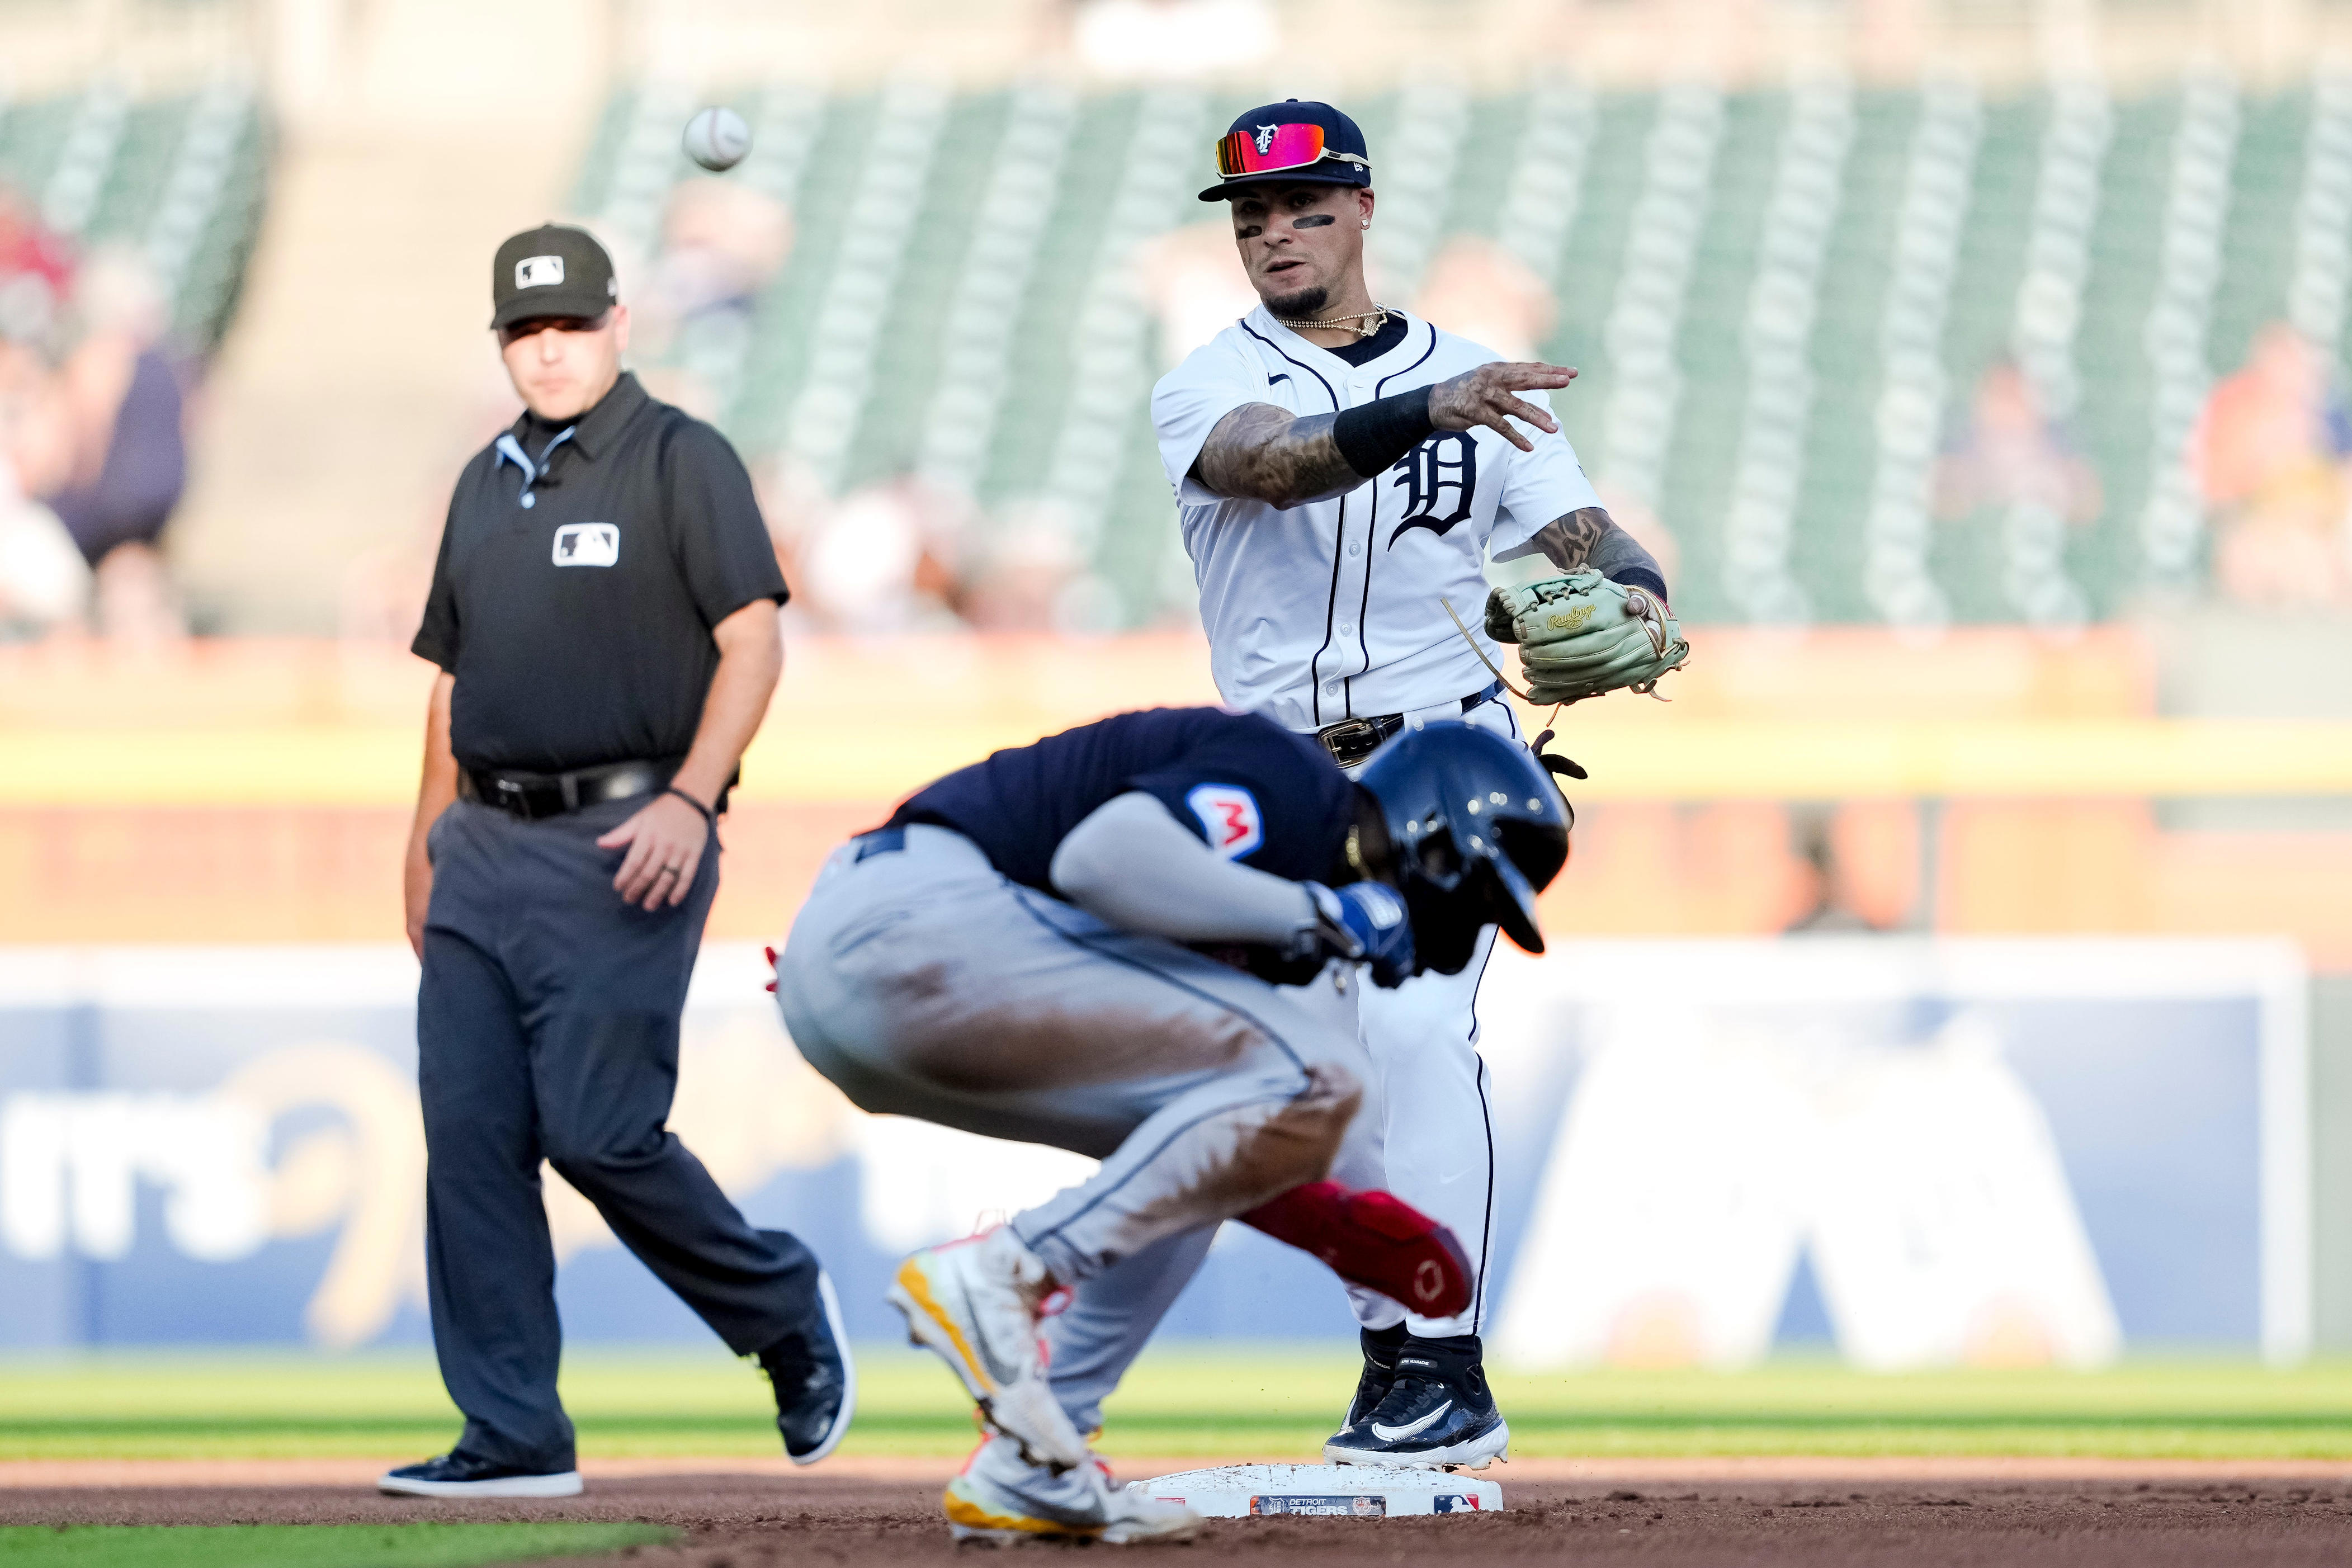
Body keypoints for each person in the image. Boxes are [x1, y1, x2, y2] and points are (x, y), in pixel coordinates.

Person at [1150, 99, 1674, 1468]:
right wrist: (1424, 409)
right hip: (1275, 774)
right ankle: (1400, 1361)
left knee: (1421, 1028)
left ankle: (1444, 1363)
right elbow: (1271, 464)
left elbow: (1586, 532)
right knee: (1326, 1078)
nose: (1275, 230)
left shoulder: (1476, 381)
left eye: (1305, 205)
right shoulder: (1208, 379)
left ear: (1364, 211)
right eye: (1254, 213)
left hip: (1445, 750)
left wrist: (1636, 592)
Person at [772, 710, 1567, 1541]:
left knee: (1208, 1157)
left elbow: (1278, 1128)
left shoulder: (1293, 887)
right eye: (1477, 898)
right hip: (910, 928)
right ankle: (1009, 1270)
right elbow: (1104, 859)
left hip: (878, 974)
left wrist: (1358, 1231)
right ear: (1432, 842)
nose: (1467, 927)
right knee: (1288, 1080)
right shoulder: (1295, 785)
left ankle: (1035, 1462)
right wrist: (1315, 912)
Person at [386, 224, 848, 1499]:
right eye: (525, 331)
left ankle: (781, 1306)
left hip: (630, 835)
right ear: (502, 343)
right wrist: (424, 844)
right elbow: (449, 683)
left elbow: (752, 644)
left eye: (569, 325)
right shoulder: (484, 478)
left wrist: (695, 802)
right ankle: (514, 1433)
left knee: (598, 1129)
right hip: (481, 841)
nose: (548, 349)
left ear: (619, 324)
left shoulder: (680, 458)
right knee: (471, 1134)